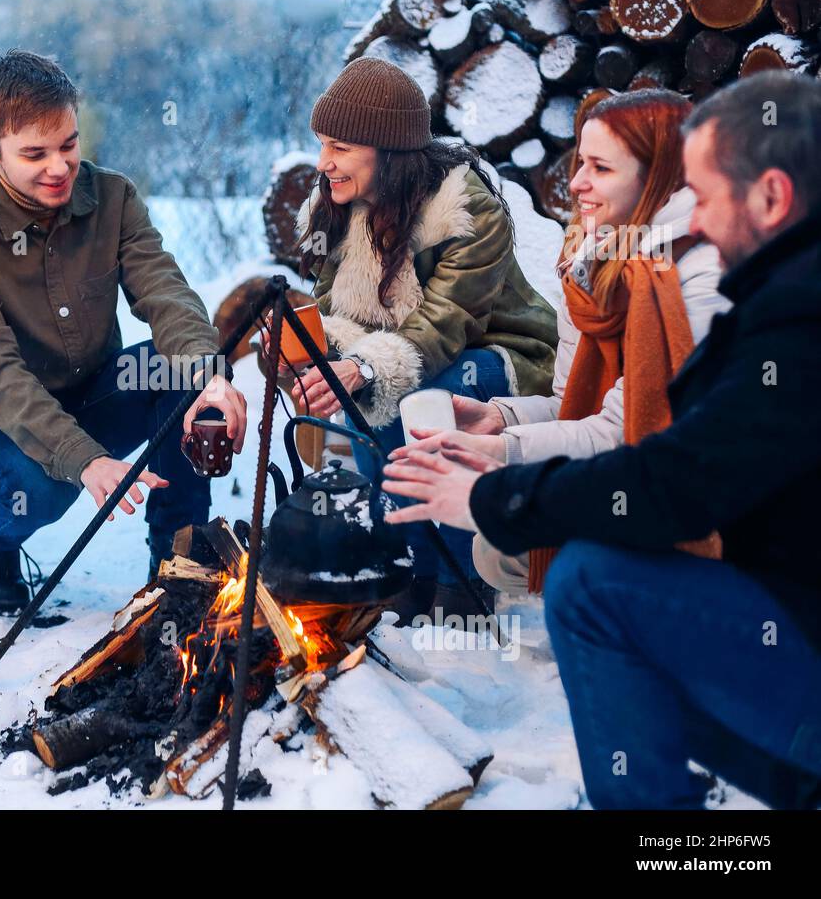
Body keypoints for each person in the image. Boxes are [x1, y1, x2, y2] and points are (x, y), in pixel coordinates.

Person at [380, 71, 821, 809]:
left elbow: (673, 477)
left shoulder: (770, 308)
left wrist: (493, 492)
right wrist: (504, 433)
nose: (696, 222)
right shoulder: (745, 286)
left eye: (704, 198)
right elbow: (655, 440)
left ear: (772, 198)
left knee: (592, 582)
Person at [0, 50, 247, 614]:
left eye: (68, 145)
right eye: (34, 154)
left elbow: (164, 291)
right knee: (45, 485)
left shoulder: (113, 199)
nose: (58, 168)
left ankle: (179, 562)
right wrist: (81, 458)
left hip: (86, 392)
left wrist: (208, 376)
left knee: (181, 371)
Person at [405, 89, 731, 595]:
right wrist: (500, 417)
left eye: (600, 168)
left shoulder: (698, 278)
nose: (576, 183)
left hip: (708, 504)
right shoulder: (594, 267)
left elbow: (624, 434)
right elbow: (569, 408)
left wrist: (501, 450)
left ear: (659, 175)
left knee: (532, 537)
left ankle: (649, 625)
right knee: (499, 549)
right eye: (579, 163)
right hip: (630, 476)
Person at [290, 56, 557, 615]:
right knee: (368, 396)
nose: (324, 163)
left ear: (386, 150)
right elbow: (329, 307)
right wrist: (314, 351)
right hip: (399, 353)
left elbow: (445, 325)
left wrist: (363, 367)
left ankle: (461, 577)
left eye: (339, 148)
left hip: (496, 353)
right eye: (321, 145)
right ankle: (407, 565)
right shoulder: (335, 209)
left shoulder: (464, 211)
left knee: (423, 400)